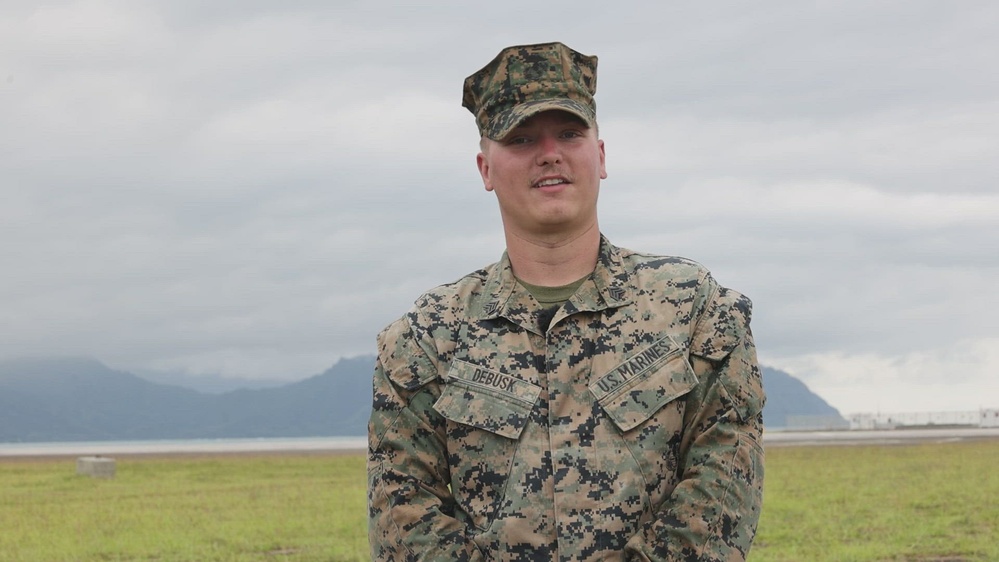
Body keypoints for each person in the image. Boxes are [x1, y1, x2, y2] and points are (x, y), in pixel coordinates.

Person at [368, 42, 765, 561]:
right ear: (486, 169)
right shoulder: (425, 338)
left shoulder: (695, 310)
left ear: (600, 157)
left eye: (570, 134)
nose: (549, 152)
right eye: (522, 138)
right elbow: (404, 519)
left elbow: (723, 488)